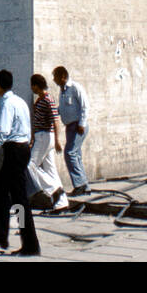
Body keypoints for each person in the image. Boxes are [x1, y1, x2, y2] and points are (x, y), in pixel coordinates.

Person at [0, 69, 40, 256]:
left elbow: (2, 132)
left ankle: (30, 245)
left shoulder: (7, 104)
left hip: (14, 152)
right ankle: (1, 234)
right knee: (0, 192)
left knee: (20, 200)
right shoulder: (20, 101)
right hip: (21, 150)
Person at [28, 74, 67, 212]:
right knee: (50, 169)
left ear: (36, 86)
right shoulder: (41, 99)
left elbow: (56, 120)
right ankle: (61, 203)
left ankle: (54, 189)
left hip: (45, 136)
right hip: (41, 136)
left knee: (30, 165)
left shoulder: (48, 99)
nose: (31, 88)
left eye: (32, 85)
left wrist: (57, 140)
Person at [52, 66, 90, 196]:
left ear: (63, 76)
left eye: (55, 77)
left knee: (70, 153)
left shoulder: (75, 87)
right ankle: (84, 185)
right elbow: (62, 108)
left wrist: (82, 123)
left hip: (78, 126)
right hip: (69, 127)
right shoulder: (62, 91)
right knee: (76, 155)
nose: (54, 80)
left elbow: (85, 106)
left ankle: (79, 185)